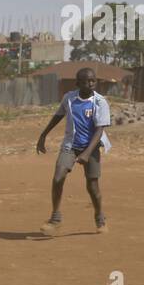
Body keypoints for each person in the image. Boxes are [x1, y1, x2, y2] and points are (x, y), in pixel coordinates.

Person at [36, 67, 112, 235]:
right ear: (78, 83)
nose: (90, 83)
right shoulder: (69, 98)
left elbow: (99, 131)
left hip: (91, 147)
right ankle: (55, 218)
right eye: (86, 81)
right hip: (70, 145)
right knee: (58, 177)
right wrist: (43, 134)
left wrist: (86, 153)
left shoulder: (100, 102)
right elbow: (58, 115)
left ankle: (99, 217)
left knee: (92, 186)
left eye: (93, 80)